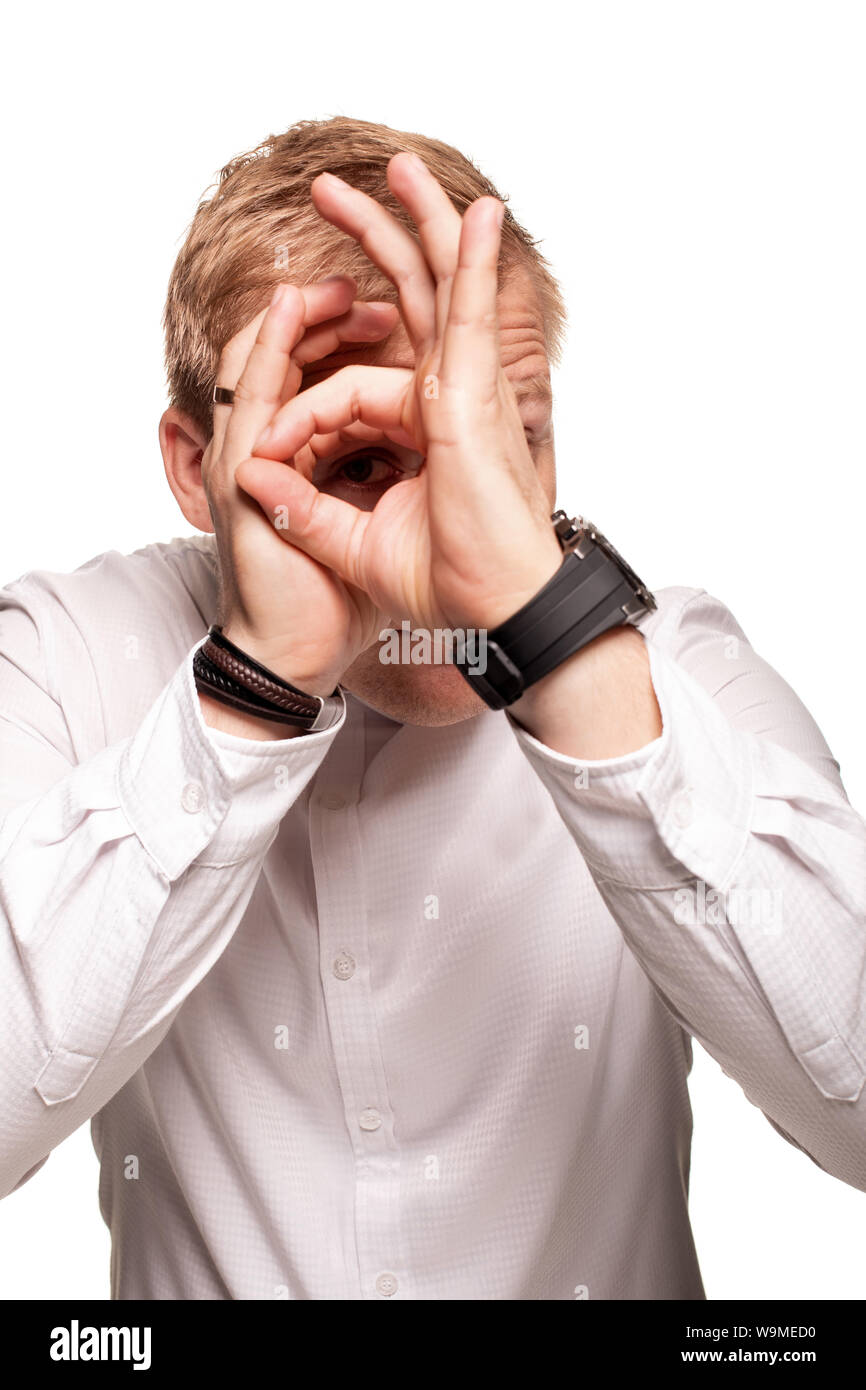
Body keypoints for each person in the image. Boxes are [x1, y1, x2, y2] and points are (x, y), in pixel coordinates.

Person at [1, 116, 864, 1301]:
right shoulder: (67, 655)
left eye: (499, 444)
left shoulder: (674, 666)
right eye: (358, 457)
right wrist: (254, 682)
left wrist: (547, 632)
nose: (440, 536)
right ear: (197, 464)